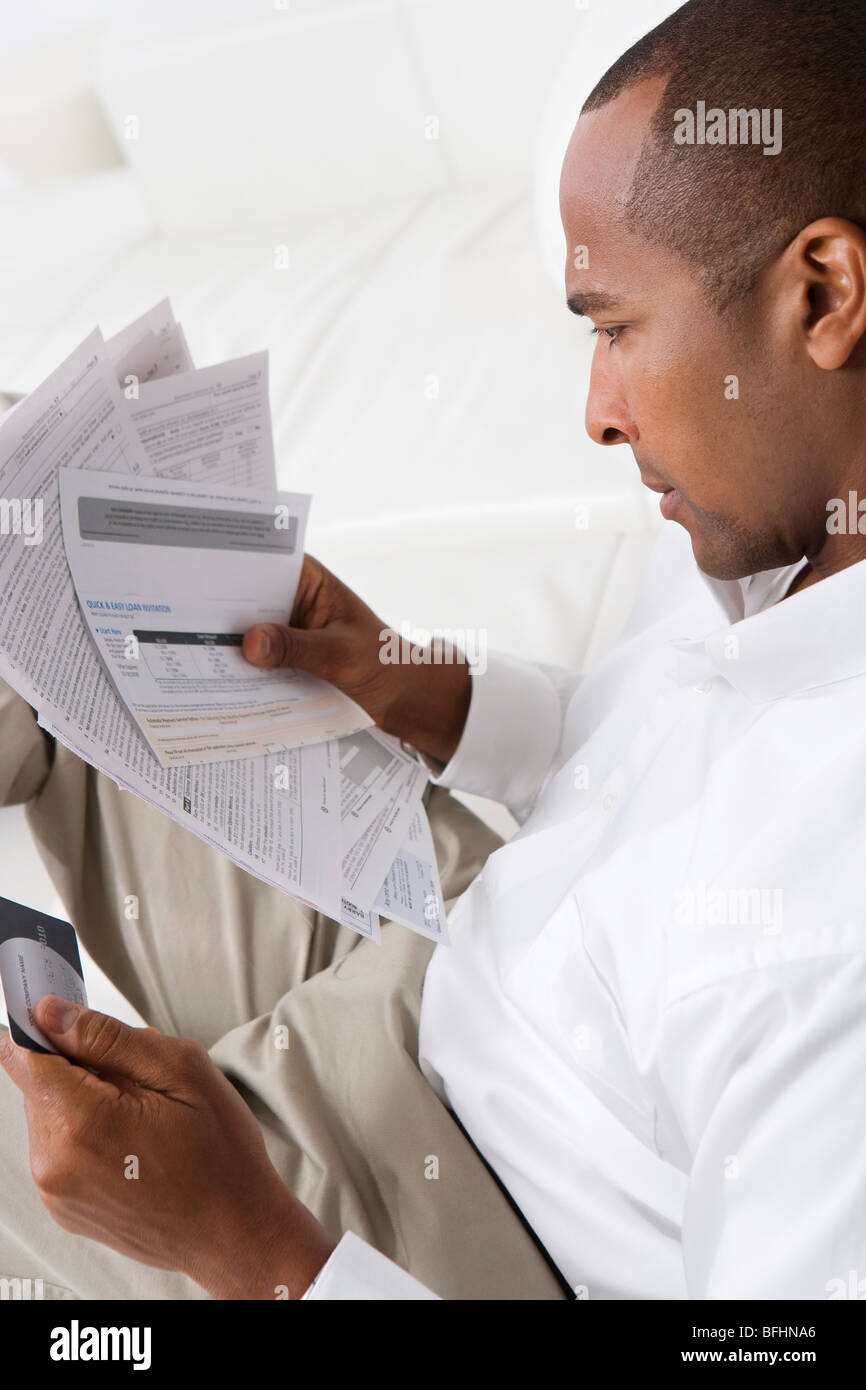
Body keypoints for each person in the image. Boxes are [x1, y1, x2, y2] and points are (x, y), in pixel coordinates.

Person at [1, 0, 865, 1300]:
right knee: (47, 508)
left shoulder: (827, 957)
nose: (594, 410)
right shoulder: (774, 511)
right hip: (443, 925)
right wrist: (425, 685)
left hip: (433, 1226)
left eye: (613, 327)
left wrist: (260, 1251)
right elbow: (662, 756)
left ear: (823, 292)